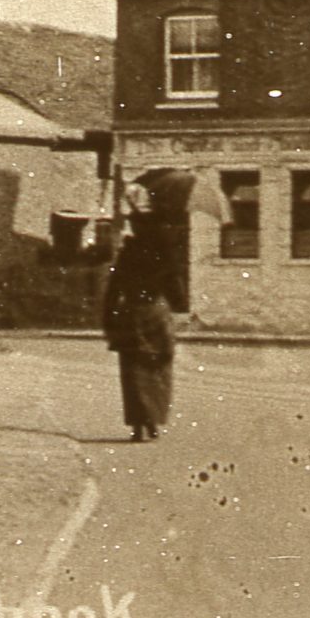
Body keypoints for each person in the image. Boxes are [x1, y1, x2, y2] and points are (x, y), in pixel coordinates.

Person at [102, 184, 188, 442]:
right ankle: (152, 421)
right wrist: (180, 308)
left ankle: (138, 425)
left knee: (132, 370)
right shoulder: (164, 252)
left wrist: (108, 319)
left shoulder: (127, 253)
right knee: (158, 368)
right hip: (156, 312)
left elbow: (113, 288)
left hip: (130, 313)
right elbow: (176, 289)